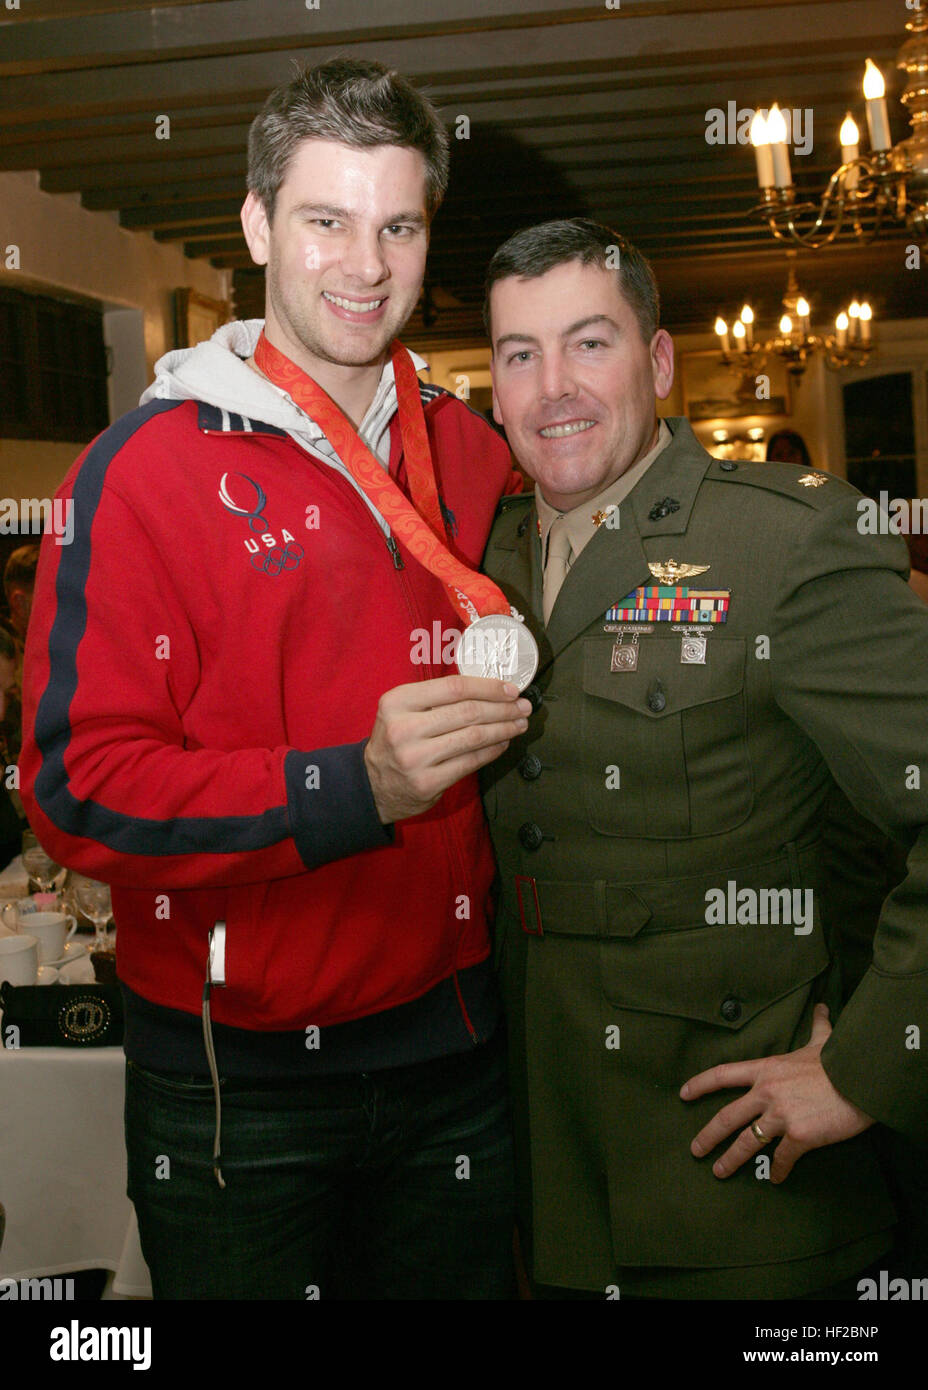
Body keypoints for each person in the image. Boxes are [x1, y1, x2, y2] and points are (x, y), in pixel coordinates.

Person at [20, 58, 533, 1300]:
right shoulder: (134, 474)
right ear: (256, 226)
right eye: (326, 221)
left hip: (455, 1052)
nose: (366, 264)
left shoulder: (466, 446)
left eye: (397, 226)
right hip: (231, 1090)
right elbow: (77, 791)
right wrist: (349, 783)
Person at [479, 217, 928, 1299]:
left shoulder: (778, 544)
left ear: (660, 360)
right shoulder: (475, 554)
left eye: (589, 343)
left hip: (733, 1173)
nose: (553, 389)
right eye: (517, 354)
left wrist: (868, 1065)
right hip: (526, 1163)